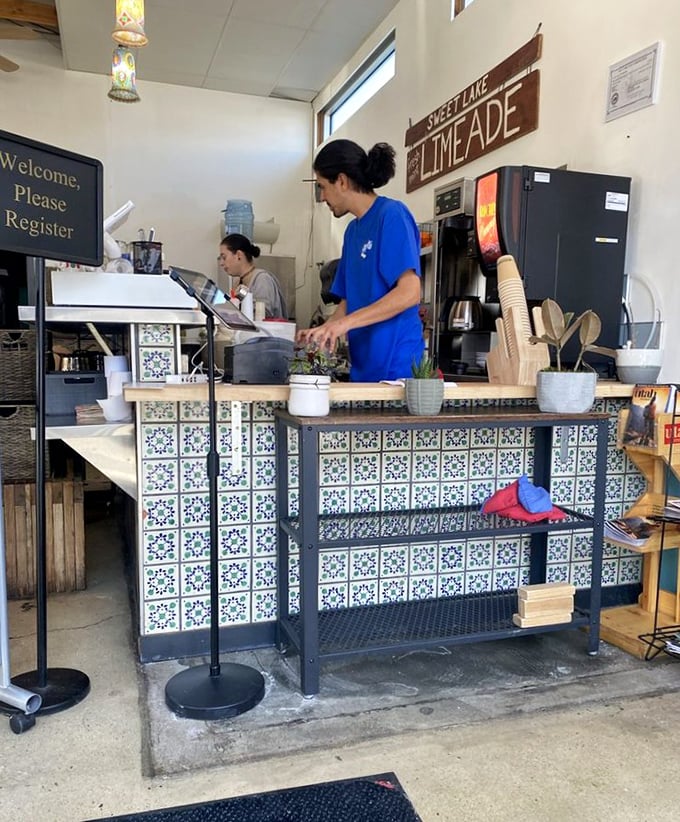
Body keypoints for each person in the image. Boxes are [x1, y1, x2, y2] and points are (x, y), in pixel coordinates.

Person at [296, 140, 424, 382]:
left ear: (342, 181)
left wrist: (344, 325)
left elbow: (410, 293)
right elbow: (347, 304)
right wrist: (323, 330)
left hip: (396, 369)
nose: (322, 197)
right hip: (364, 368)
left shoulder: (391, 215)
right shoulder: (352, 232)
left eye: (323, 187)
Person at [218, 233, 288, 319]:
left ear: (239, 255)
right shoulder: (237, 283)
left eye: (224, 257)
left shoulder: (262, 279)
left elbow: (262, 316)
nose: (221, 263)